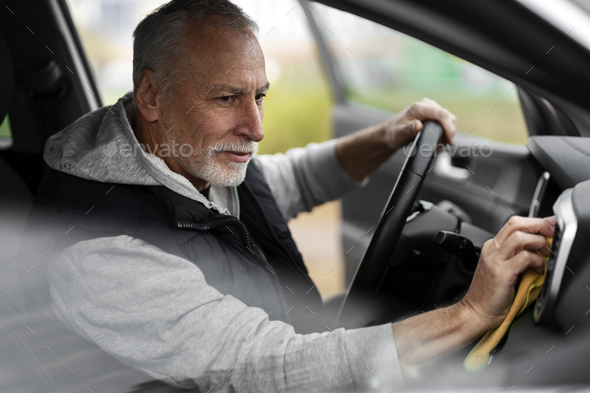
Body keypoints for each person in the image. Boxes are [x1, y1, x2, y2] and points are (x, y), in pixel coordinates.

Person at [20, 0, 555, 391]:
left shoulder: (189, 158)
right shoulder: (100, 249)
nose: (255, 127)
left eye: (260, 97)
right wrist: (470, 312)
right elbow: (270, 368)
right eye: (227, 98)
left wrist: (387, 136)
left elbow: (288, 182)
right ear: (152, 96)